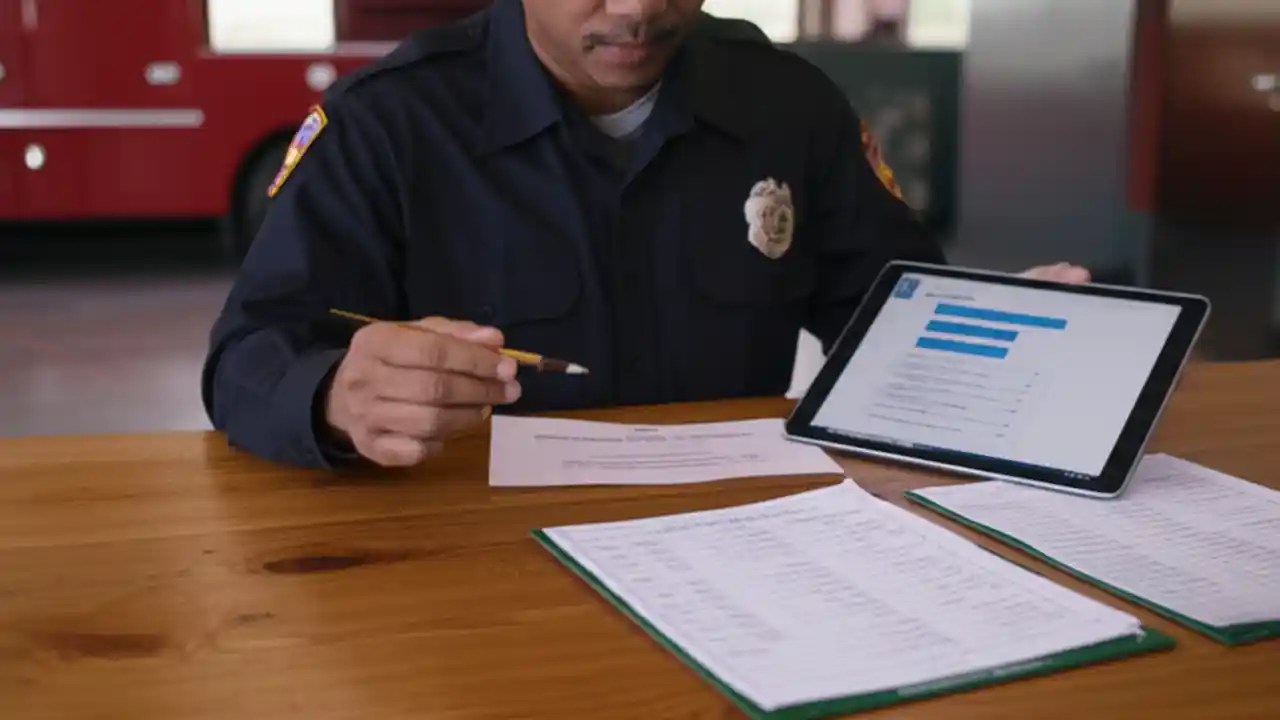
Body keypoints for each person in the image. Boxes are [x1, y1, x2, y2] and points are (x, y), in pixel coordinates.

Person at [203, 0, 1089, 469]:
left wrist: (1000, 331)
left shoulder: (789, 106)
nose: (638, 8)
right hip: (471, 555)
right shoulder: (388, 124)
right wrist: (332, 398)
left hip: (744, 545)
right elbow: (250, 350)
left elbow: (887, 318)